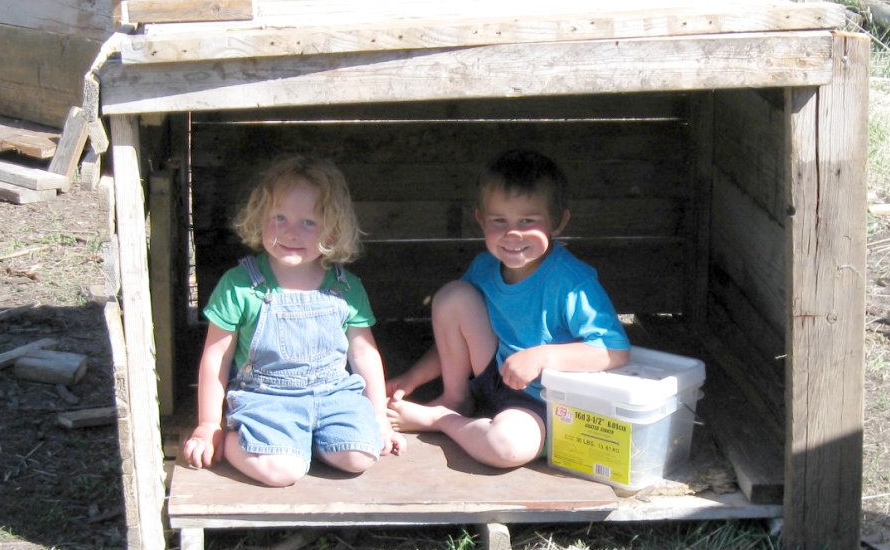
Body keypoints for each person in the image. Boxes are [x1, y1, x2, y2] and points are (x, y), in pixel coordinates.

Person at [387, 148, 630, 468]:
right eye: (499, 221)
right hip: (494, 375)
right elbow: (454, 336)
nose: (512, 234)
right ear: (480, 219)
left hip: (543, 401)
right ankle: (456, 399)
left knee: (506, 448)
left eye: (528, 221)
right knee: (452, 296)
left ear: (558, 222)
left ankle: (443, 419)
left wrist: (542, 357)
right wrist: (411, 378)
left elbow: (614, 351)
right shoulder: (485, 266)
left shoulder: (571, 282)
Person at [180, 155, 404, 487]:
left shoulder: (345, 287)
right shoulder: (241, 285)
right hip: (266, 399)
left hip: (333, 395)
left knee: (359, 456)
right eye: (279, 218)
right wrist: (209, 424)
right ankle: (237, 439)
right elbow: (217, 357)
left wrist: (378, 417)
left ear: (333, 227)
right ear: (260, 218)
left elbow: (364, 355)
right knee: (283, 472)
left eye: (308, 223)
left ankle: (306, 439)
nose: (291, 232)